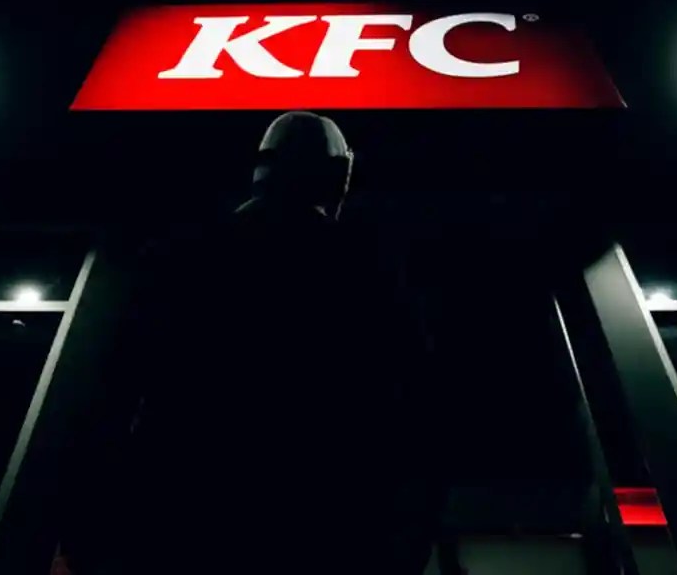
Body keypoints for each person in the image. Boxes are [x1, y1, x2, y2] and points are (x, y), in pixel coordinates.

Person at [61, 112, 437, 575]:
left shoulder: (183, 254)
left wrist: (89, 523)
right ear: (336, 175)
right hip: (321, 524)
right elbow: (412, 410)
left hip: (184, 516)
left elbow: (112, 390)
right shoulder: (365, 268)